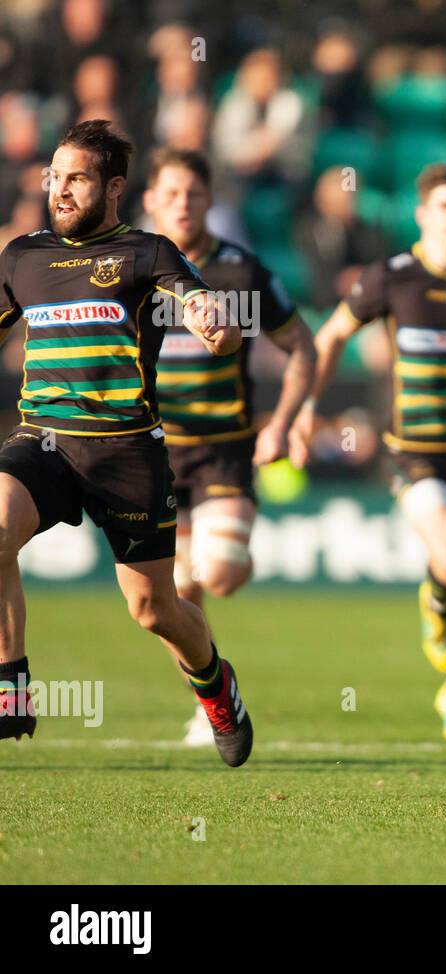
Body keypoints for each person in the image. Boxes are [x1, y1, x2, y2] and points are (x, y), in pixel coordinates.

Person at [0, 120, 253, 766]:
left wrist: (214, 324)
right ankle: (10, 686)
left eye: (76, 178)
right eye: (54, 176)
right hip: (45, 441)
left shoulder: (147, 251)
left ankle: (216, 687)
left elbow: (198, 306)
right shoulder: (22, 257)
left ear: (113, 187)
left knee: (154, 609)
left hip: (127, 453)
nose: (59, 189)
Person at [292, 164, 446, 741]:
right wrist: (310, 403)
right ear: (422, 215)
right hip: (413, 452)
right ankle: (435, 601)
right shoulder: (392, 276)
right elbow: (334, 333)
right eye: (444, 206)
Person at [142, 146, 317, 746]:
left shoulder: (243, 272)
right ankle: (211, 700)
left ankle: (233, 551)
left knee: (213, 575)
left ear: (210, 201)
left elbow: (304, 347)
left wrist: (284, 421)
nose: (182, 205)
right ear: (150, 201)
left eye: (193, 194)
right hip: (152, 454)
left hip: (224, 452)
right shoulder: (131, 270)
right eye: (170, 194)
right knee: (172, 597)